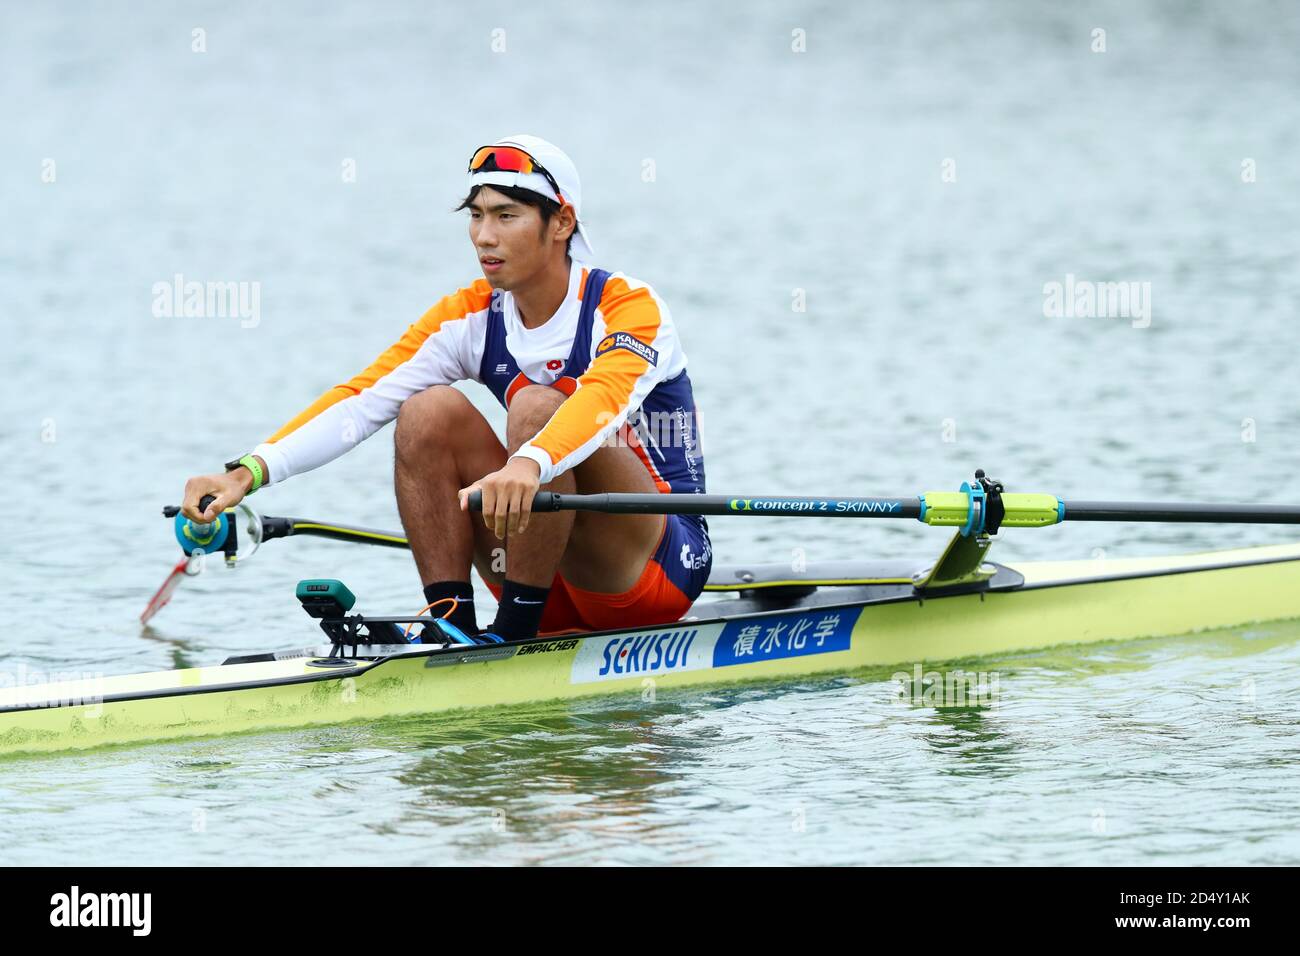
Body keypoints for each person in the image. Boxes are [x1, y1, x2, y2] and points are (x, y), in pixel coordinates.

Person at [180, 135, 710, 643]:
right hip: (536, 566)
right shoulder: (469, 315)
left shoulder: (627, 306)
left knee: (534, 407)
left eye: (506, 216)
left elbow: (601, 401)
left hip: (652, 569)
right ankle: (452, 618)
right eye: (476, 215)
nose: (484, 236)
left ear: (561, 223)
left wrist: (528, 463)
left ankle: (515, 634)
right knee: (425, 411)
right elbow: (361, 400)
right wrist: (247, 472)